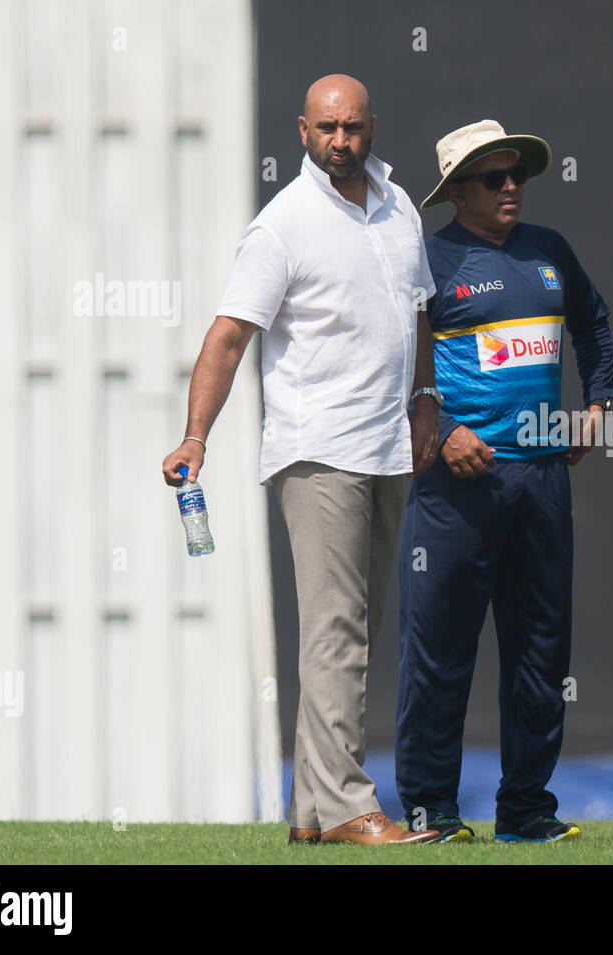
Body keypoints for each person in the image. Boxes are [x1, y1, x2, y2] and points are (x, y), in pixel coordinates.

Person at [160, 74, 441, 846]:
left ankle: (313, 813)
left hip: (387, 445)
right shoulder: (282, 225)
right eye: (326, 128)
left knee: (355, 627)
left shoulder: (400, 205)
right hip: (318, 450)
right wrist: (196, 437)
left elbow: (419, 312)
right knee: (336, 629)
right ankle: (350, 804)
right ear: (302, 131)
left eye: (352, 126)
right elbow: (226, 337)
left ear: (371, 125)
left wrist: (425, 398)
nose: (340, 141)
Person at [394, 120, 613, 843]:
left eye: (517, 174)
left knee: (541, 651)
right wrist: (446, 427)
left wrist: (600, 404)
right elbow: (395, 362)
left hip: (543, 477)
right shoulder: (428, 263)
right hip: (458, 486)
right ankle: (431, 809)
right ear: (456, 191)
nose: (512, 186)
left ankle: (526, 809)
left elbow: (595, 321)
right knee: (440, 650)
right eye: (494, 178)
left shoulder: (550, 251)